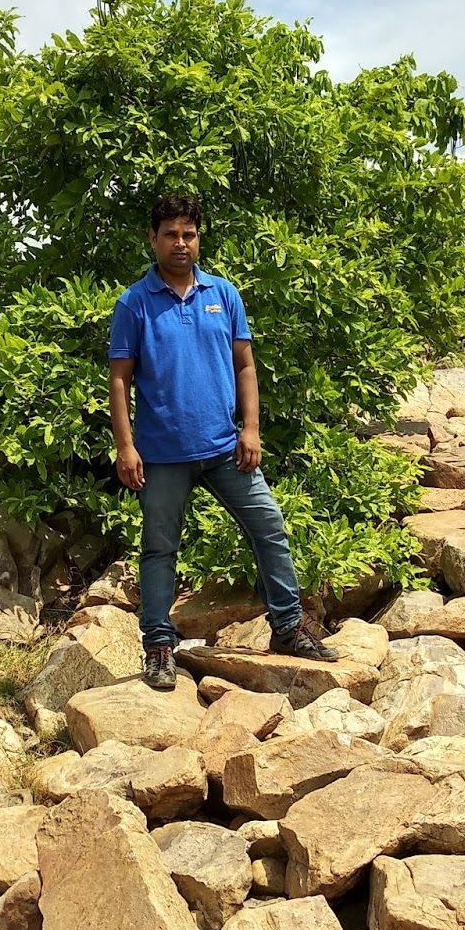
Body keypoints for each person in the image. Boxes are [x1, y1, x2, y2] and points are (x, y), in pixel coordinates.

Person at [108, 192, 337, 690]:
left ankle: (288, 627)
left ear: (199, 237)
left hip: (223, 448)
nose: (180, 243)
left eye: (189, 234)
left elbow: (245, 365)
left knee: (269, 526)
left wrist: (250, 429)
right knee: (159, 549)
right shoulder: (134, 303)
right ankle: (159, 647)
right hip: (162, 455)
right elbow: (120, 379)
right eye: (170, 234)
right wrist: (125, 447)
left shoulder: (224, 294)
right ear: (153, 238)